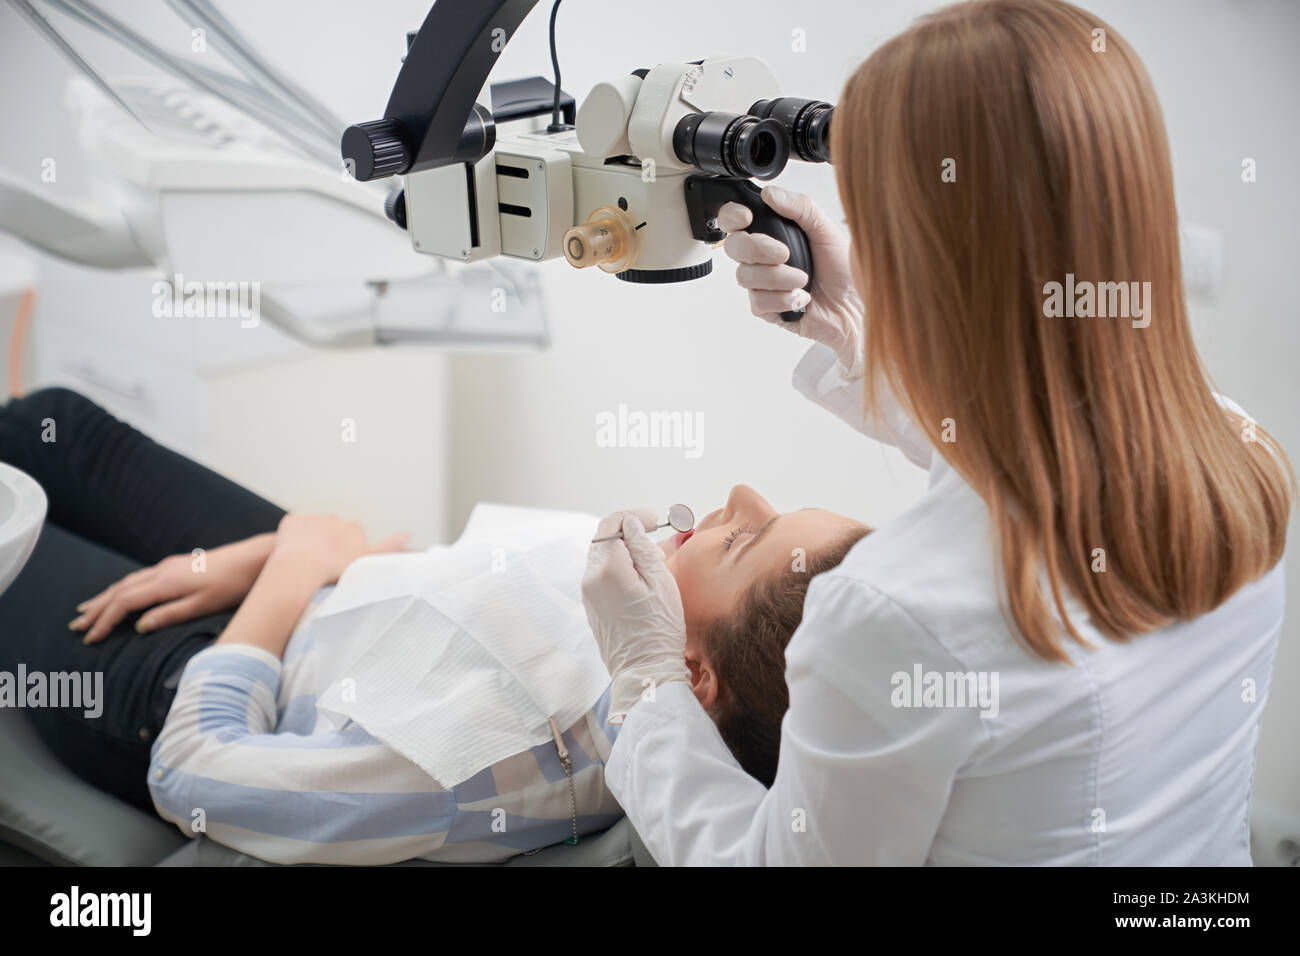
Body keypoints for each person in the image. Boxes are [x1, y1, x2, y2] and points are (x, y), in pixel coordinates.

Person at [581, 0, 1294, 865]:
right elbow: (1040, 469)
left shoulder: (894, 616)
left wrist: (649, 682)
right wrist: (859, 338)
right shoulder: (1242, 454)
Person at [0, 387, 867, 864]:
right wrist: (304, 549)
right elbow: (460, 590)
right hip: (330, 593)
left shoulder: (487, 770)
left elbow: (192, 776)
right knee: (58, 429)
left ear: (691, 671)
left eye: (747, 538)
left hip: (210, 683)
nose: (743, 494)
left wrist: (290, 568)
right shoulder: (635, 603)